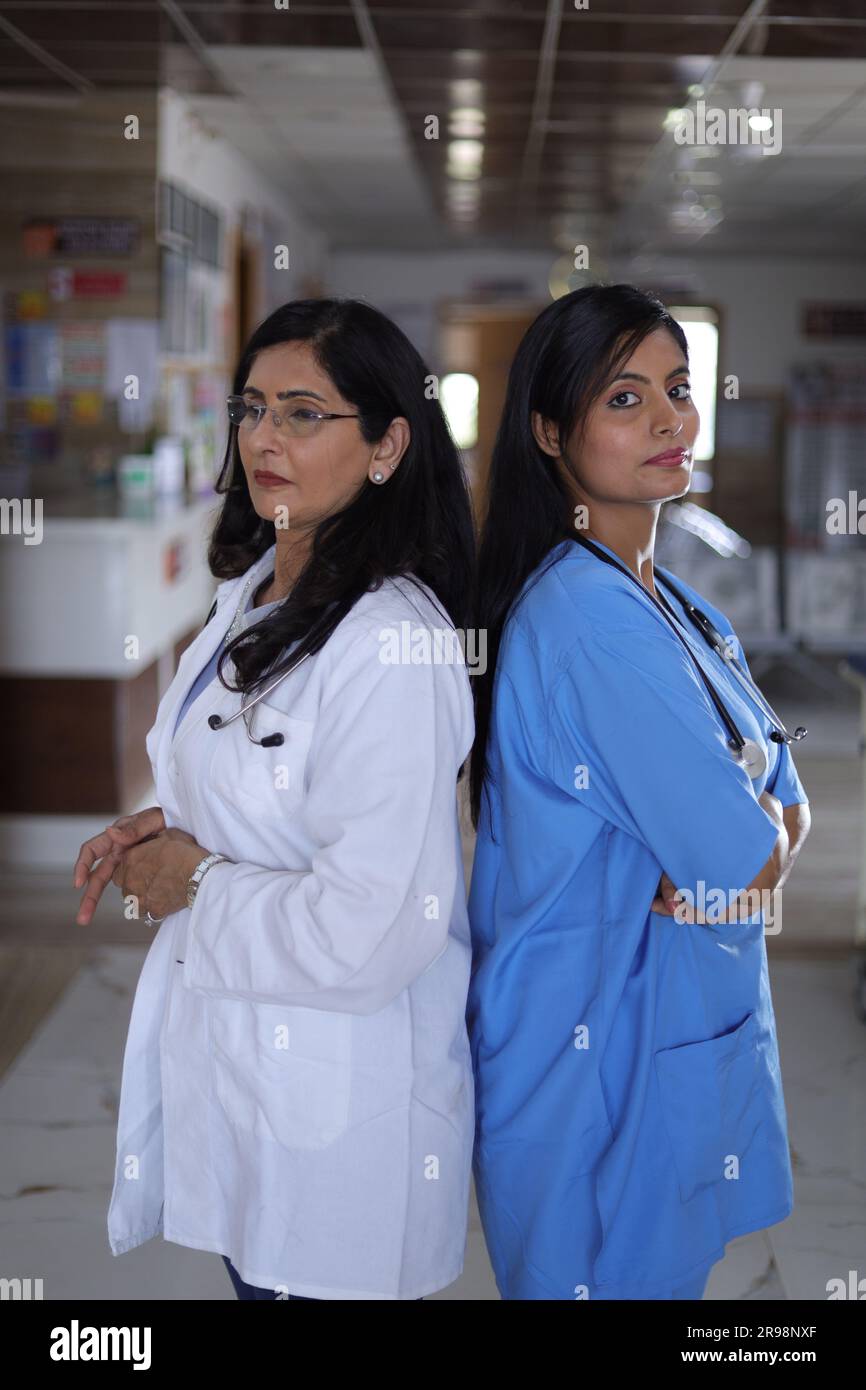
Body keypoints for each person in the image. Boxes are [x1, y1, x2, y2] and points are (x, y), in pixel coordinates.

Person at [73, 298, 476, 1301]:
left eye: (303, 413)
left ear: (387, 446)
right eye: (252, 408)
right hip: (239, 1080)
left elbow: (375, 927)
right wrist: (168, 829)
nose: (263, 438)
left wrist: (195, 882)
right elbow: (255, 783)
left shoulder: (390, 641)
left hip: (338, 1119)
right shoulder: (252, 593)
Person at [466, 283, 811, 1301]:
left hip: (674, 1048)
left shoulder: (679, 608)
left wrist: (759, 833)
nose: (668, 419)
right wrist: (757, 837)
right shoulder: (592, 626)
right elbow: (750, 861)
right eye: (624, 398)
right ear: (547, 430)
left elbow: (785, 802)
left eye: (678, 388)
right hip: (596, 1075)